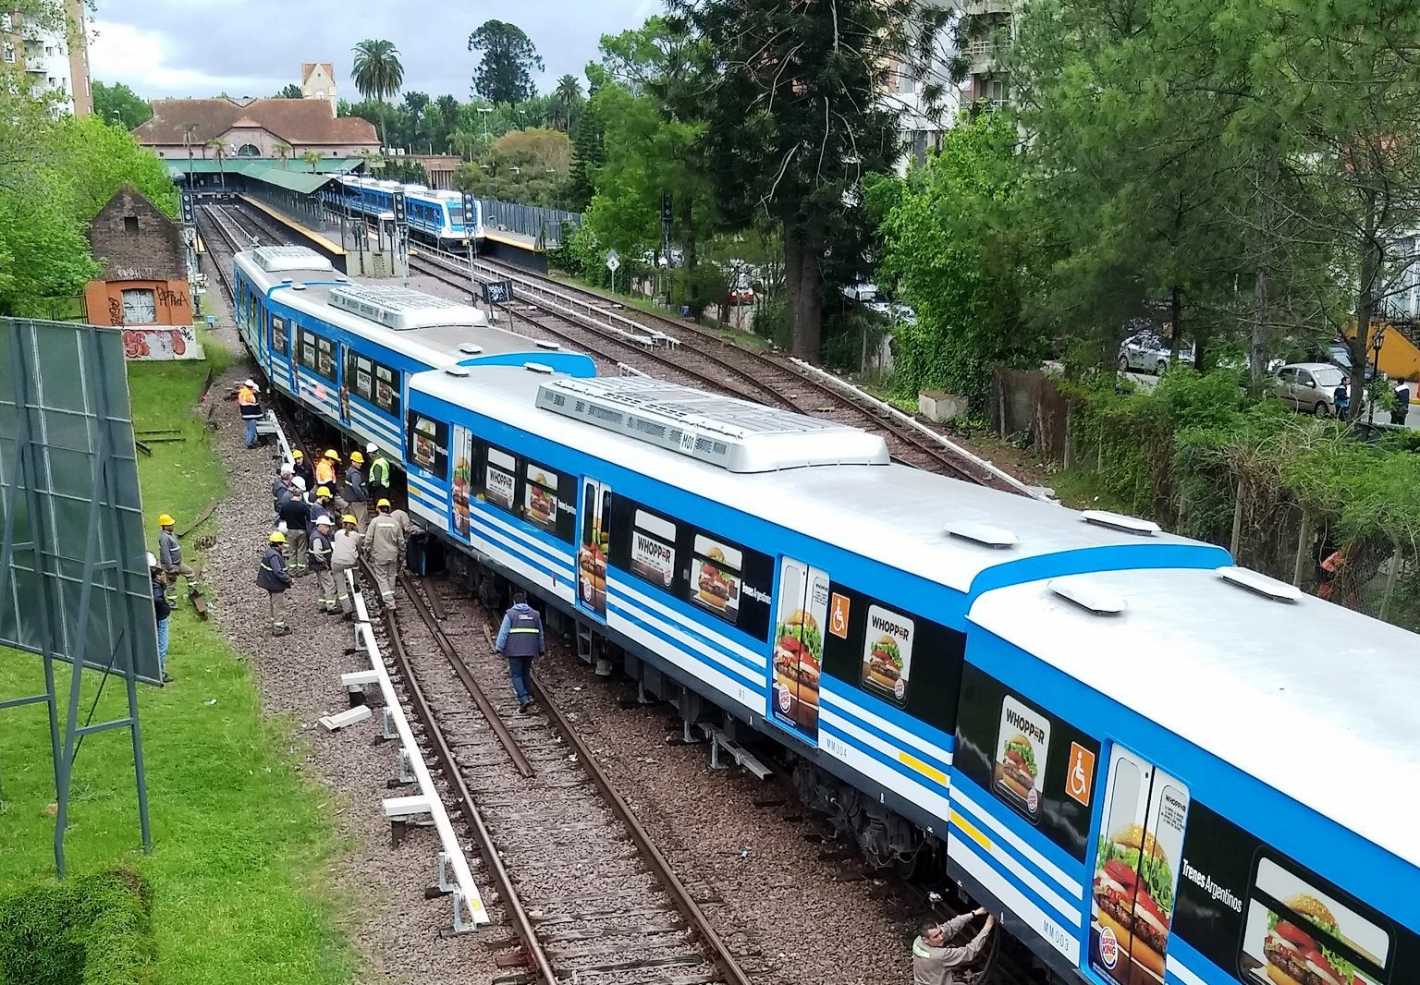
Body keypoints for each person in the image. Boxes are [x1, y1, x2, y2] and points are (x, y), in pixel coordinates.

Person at [912, 908, 995, 985]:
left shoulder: (917, 941)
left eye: (940, 932)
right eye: (936, 936)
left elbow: (949, 927)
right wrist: (988, 926)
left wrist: (974, 913)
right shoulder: (939, 955)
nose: (941, 937)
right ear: (925, 939)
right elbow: (969, 952)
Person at [494, 590, 544, 714]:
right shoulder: (535, 614)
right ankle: (528, 695)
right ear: (525, 602)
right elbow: (540, 634)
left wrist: (498, 648)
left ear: (514, 602)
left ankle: (523, 698)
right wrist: (541, 649)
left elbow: (503, 632)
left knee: (516, 674)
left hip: (514, 650)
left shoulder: (510, 614)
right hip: (530, 650)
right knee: (525, 673)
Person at [361, 498, 405, 609]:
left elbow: (368, 539)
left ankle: (390, 602)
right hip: (393, 555)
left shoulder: (375, 522)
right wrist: (402, 553)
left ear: (378, 509)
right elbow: (401, 541)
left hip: (379, 555)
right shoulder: (395, 523)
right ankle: (391, 595)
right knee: (391, 576)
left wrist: (366, 549)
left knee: (382, 578)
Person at [256, 530, 292, 636]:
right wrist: (288, 579)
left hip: (270, 583)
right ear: (278, 544)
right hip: (275, 585)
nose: (283, 546)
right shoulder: (275, 556)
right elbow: (278, 571)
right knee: (278, 606)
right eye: (282, 543)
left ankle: (275, 623)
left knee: (274, 604)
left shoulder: (269, 552)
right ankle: (279, 629)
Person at [156, 513, 195, 604]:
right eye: (170, 524)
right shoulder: (164, 538)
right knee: (171, 584)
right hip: (171, 566)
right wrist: (170, 568)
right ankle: (172, 602)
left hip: (178, 563)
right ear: (165, 526)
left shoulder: (171, 535)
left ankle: (192, 592)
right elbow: (165, 554)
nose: (172, 525)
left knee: (190, 572)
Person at [277, 480, 311, 575]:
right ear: (299, 496)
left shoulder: (286, 505)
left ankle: (291, 570)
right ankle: (301, 570)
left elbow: (282, 517)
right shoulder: (303, 506)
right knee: (301, 551)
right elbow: (309, 518)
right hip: (301, 531)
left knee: (292, 551)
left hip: (290, 530)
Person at [331, 513, 361, 618]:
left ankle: (347, 610)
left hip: (336, 562)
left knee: (341, 586)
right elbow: (359, 549)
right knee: (356, 565)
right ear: (354, 525)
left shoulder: (337, 533)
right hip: (350, 561)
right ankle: (356, 584)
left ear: (343, 524)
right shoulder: (357, 536)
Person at [149, 553, 173, 684]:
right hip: (160, 618)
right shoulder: (156, 587)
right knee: (162, 645)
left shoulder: (152, 584)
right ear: (157, 576)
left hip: (158, 617)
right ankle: (159, 673)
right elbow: (157, 599)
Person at [308, 515, 338, 614]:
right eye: (327, 527)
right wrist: (324, 562)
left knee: (322, 585)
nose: (328, 529)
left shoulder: (317, 535)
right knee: (330, 585)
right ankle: (331, 606)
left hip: (318, 566)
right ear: (320, 526)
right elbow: (317, 553)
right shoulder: (317, 537)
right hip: (321, 566)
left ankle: (322, 605)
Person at [343, 450, 368, 527]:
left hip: (351, 500)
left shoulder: (349, 471)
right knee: (361, 521)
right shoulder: (355, 474)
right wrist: (363, 497)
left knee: (353, 520)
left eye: (361, 462)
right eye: (358, 462)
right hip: (358, 502)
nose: (360, 464)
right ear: (353, 462)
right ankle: (362, 537)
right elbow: (356, 487)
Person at [237, 379, 262, 448]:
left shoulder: (242, 393)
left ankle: (250, 441)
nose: (256, 392)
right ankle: (249, 444)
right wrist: (260, 415)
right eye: (256, 391)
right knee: (252, 430)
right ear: (252, 388)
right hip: (251, 416)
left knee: (248, 429)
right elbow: (255, 407)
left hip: (245, 415)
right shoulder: (250, 395)